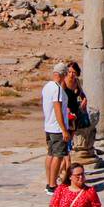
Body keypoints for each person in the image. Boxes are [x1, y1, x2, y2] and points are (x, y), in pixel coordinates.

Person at [42, 61, 71, 195]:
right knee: (58, 156)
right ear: (63, 74)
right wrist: (64, 129)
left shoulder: (47, 86)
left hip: (48, 125)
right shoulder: (57, 89)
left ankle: (49, 182)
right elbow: (57, 108)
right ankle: (53, 185)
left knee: (50, 154)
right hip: (57, 128)